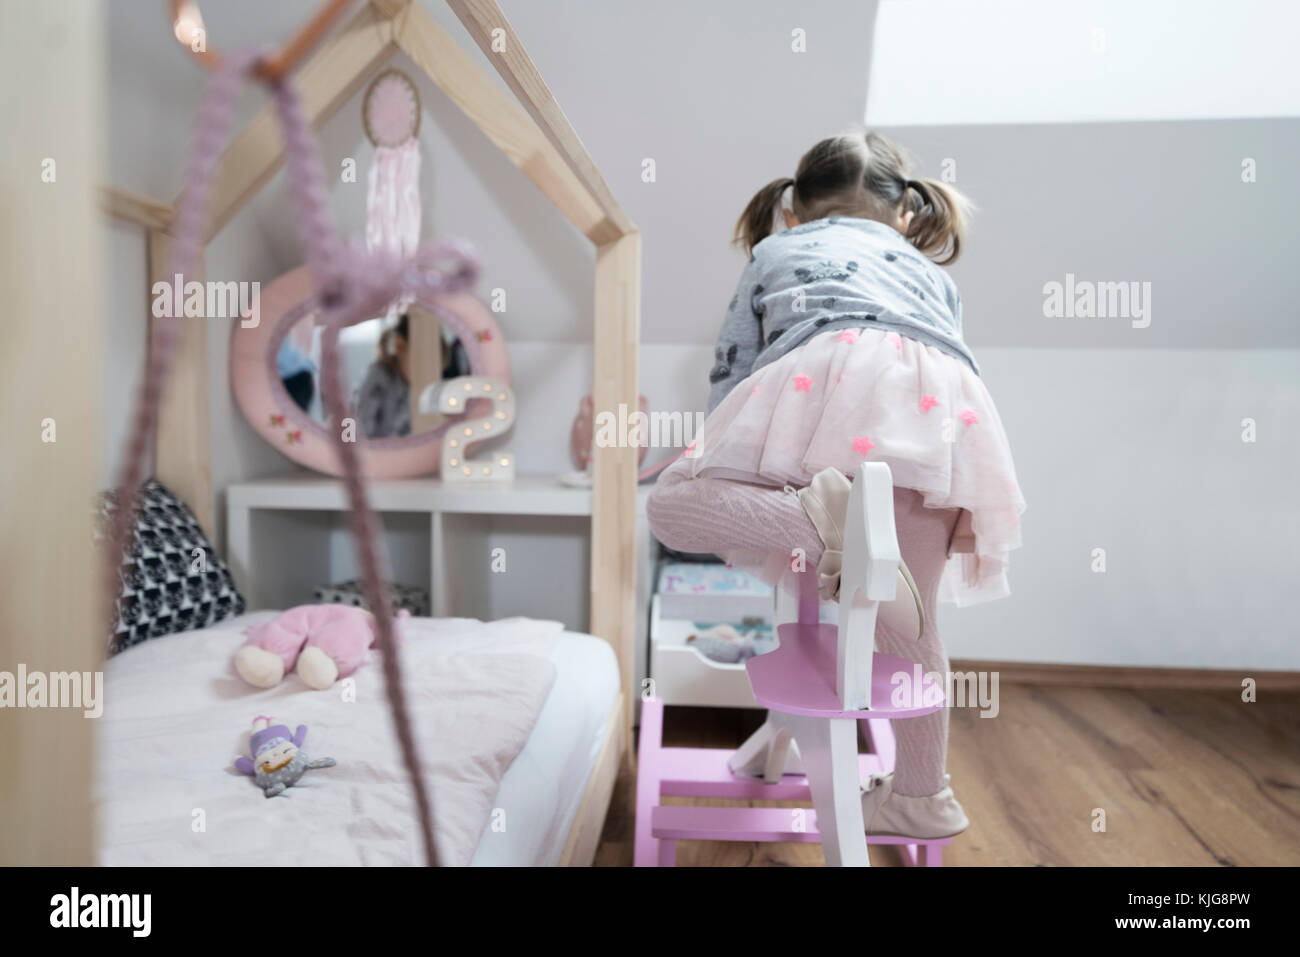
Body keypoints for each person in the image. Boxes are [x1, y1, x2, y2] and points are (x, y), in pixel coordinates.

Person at [647, 130, 1026, 840]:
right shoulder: (929, 272)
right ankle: (923, 790)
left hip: (825, 383)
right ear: (907, 213)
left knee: (671, 505)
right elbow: (946, 351)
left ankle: (819, 526)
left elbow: (734, 362)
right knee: (912, 622)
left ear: (793, 210)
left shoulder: (775, 251)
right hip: (942, 420)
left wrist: (721, 450)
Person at [356, 313, 412, 438]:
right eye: (421, 361)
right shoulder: (378, 377)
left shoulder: (411, 386)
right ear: (400, 347)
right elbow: (359, 423)